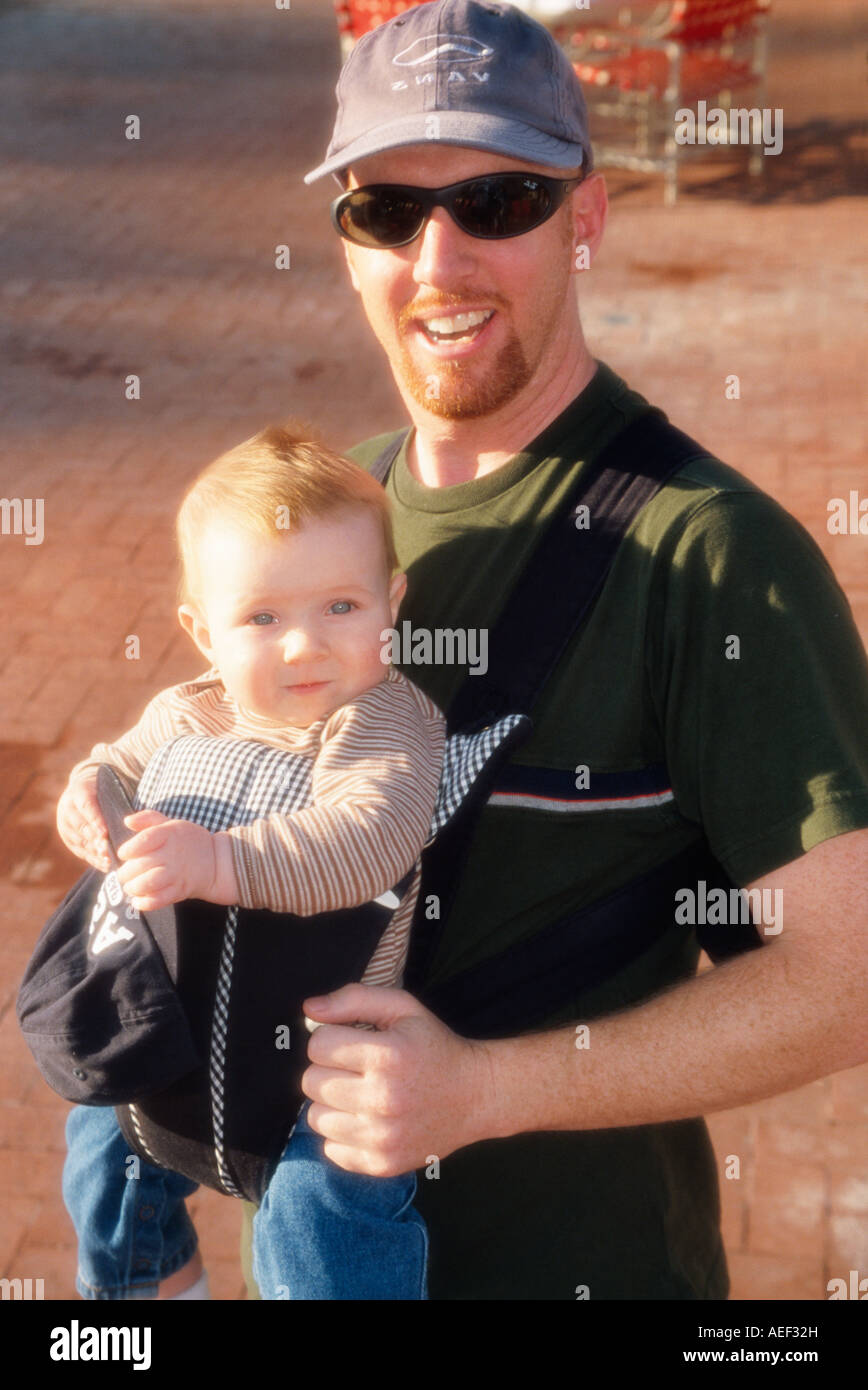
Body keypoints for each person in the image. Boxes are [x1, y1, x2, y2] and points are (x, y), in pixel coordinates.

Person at [226, 0, 868, 1302]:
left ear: (587, 215)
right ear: (348, 239)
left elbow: (846, 978)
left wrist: (487, 1088)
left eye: (501, 200)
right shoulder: (331, 513)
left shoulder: (713, 555)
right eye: (387, 210)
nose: (438, 257)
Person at [56, 424, 446, 1299]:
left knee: (322, 1223)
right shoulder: (192, 712)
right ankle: (149, 1286)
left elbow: (367, 840)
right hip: (181, 1024)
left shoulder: (386, 721)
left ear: (392, 601)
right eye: (263, 617)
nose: (304, 645)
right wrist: (86, 791)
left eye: (341, 608)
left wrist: (220, 860)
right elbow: (115, 766)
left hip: (328, 1064)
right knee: (102, 1144)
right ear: (204, 631)